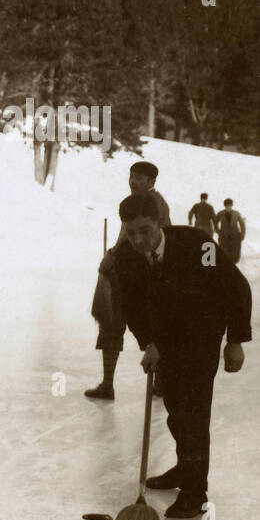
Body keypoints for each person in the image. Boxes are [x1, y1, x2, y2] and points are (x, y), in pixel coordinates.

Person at [110, 192, 250, 518]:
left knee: (194, 415)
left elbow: (234, 286)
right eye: (130, 232)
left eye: (144, 229)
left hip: (201, 336)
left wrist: (236, 340)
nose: (138, 239)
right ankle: (183, 468)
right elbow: (133, 310)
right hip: (167, 342)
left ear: (160, 221)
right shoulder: (127, 259)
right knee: (175, 409)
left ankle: (194, 492)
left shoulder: (196, 244)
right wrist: (149, 344)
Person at [85, 160, 171, 400]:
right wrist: (114, 255)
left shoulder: (155, 203)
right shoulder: (130, 204)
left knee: (148, 325)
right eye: (131, 176)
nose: (133, 181)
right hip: (124, 272)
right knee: (111, 323)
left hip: (143, 276)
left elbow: (149, 242)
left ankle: (160, 380)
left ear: (151, 182)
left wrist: (112, 254)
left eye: (139, 178)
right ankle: (108, 383)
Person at [214, 198, 245, 265]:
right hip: (224, 236)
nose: (228, 207)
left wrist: (242, 235)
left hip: (235, 235)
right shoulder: (220, 213)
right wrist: (218, 232)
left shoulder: (236, 213)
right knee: (224, 251)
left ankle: (234, 264)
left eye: (230, 205)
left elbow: (242, 224)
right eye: (227, 206)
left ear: (232, 205)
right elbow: (215, 223)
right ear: (225, 206)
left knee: (235, 252)